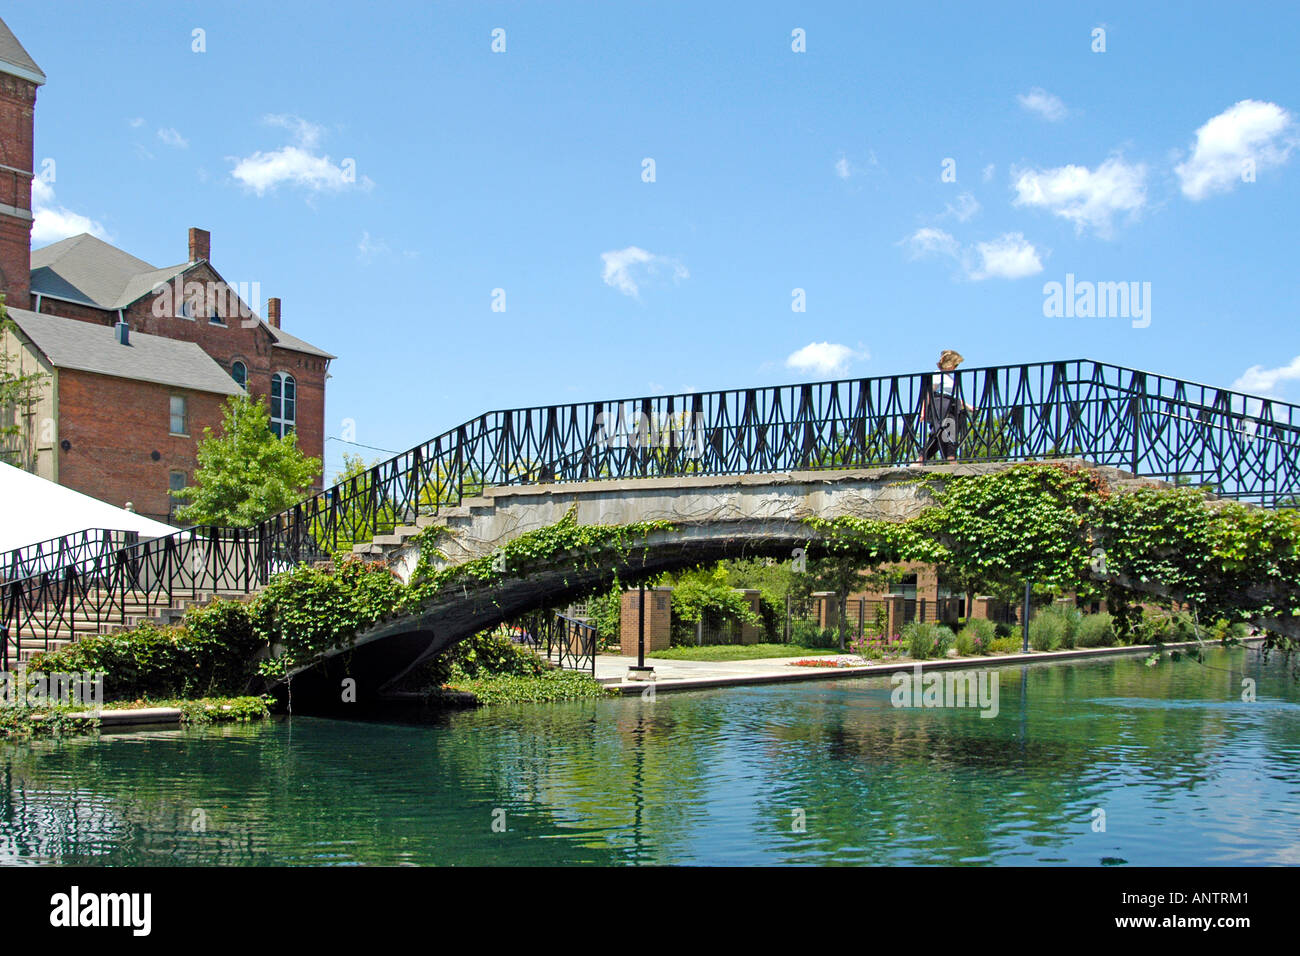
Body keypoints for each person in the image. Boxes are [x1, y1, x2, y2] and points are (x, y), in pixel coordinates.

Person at [914, 349, 977, 464]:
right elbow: (928, 393)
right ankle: (925, 458)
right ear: (949, 364)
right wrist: (923, 410)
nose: (956, 367)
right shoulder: (938, 375)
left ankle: (948, 458)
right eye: (955, 364)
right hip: (940, 404)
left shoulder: (950, 378)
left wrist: (969, 407)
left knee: (948, 433)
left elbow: (956, 396)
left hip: (951, 404)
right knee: (939, 432)